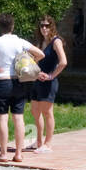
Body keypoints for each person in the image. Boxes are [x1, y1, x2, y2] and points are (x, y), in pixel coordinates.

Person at [0, 14, 44, 163]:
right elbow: (41, 54)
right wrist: (29, 63)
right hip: (18, 82)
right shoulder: (19, 41)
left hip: (2, 81)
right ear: (12, 26)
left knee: (2, 118)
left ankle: (3, 154)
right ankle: (19, 154)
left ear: (0, 27)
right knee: (18, 117)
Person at [31, 15, 68, 153]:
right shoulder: (40, 42)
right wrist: (34, 72)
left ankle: (48, 144)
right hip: (37, 81)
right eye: (42, 25)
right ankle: (39, 141)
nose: (44, 28)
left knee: (47, 112)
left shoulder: (55, 41)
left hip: (48, 82)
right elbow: (34, 61)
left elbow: (63, 62)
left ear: (52, 26)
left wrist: (51, 76)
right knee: (35, 111)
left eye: (47, 25)